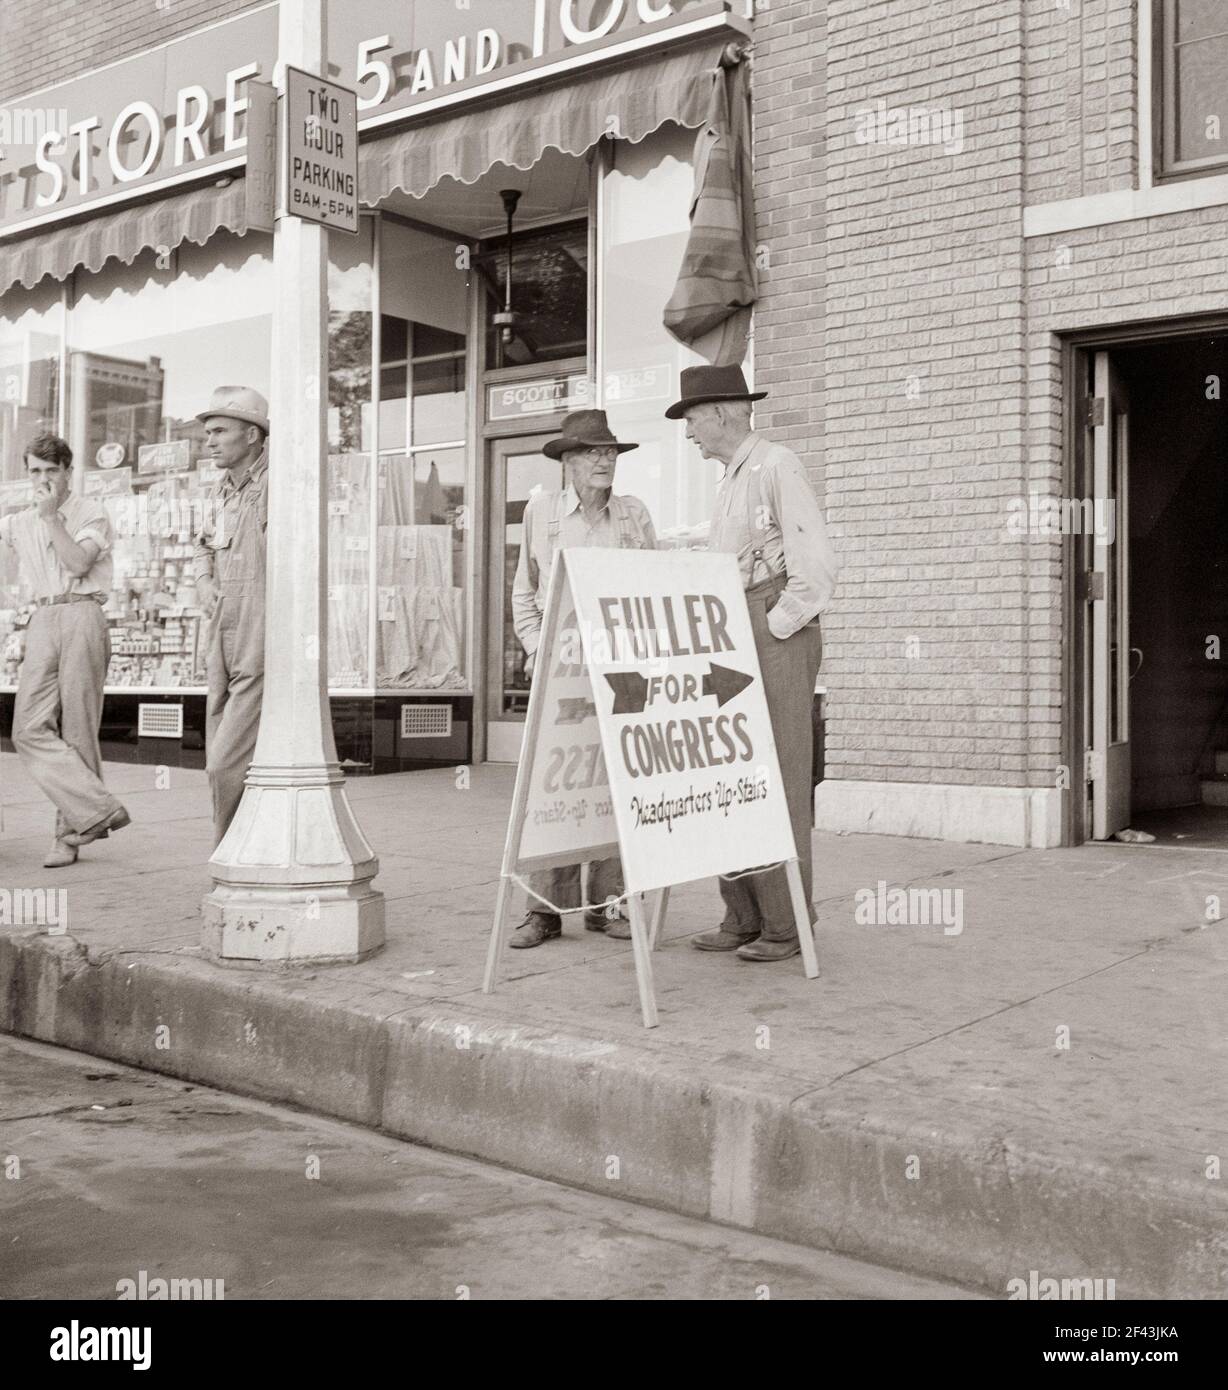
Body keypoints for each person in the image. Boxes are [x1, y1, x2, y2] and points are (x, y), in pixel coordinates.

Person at [666, 364, 839, 962]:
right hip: (733, 628)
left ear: (719, 413)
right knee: (729, 774)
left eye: (690, 418)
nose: (688, 432)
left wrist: (772, 626)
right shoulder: (732, 479)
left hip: (769, 631)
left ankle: (788, 926)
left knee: (778, 779)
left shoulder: (776, 465)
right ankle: (743, 915)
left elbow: (813, 570)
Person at [509, 409, 658, 948]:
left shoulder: (634, 514)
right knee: (554, 782)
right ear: (567, 461)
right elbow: (524, 590)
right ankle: (544, 909)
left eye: (610, 452)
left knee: (620, 781)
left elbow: (655, 587)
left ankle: (610, 903)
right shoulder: (541, 513)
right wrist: (535, 647)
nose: (604, 460)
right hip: (562, 668)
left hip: (623, 668)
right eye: (593, 452)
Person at [1, 432, 129, 868]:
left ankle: (68, 836)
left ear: (68, 472)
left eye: (51, 471)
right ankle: (98, 810)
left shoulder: (90, 511)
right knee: (28, 728)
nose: (43, 479)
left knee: (77, 727)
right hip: (42, 618)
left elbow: (78, 564)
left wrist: (52, 517)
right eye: (35, 471)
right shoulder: (19, 520)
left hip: (81, 613)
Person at [191, 386, 270, 847]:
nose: (210, 441)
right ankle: (238, 848)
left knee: (224, 760)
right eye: (208, 433)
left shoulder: (277, 485)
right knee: (220, 737)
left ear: (253, 435)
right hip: (223, 622)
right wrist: (204, 582)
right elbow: (203, 545)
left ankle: (227, 849)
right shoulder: (221, 492)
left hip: (261, 620)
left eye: (220, 430)